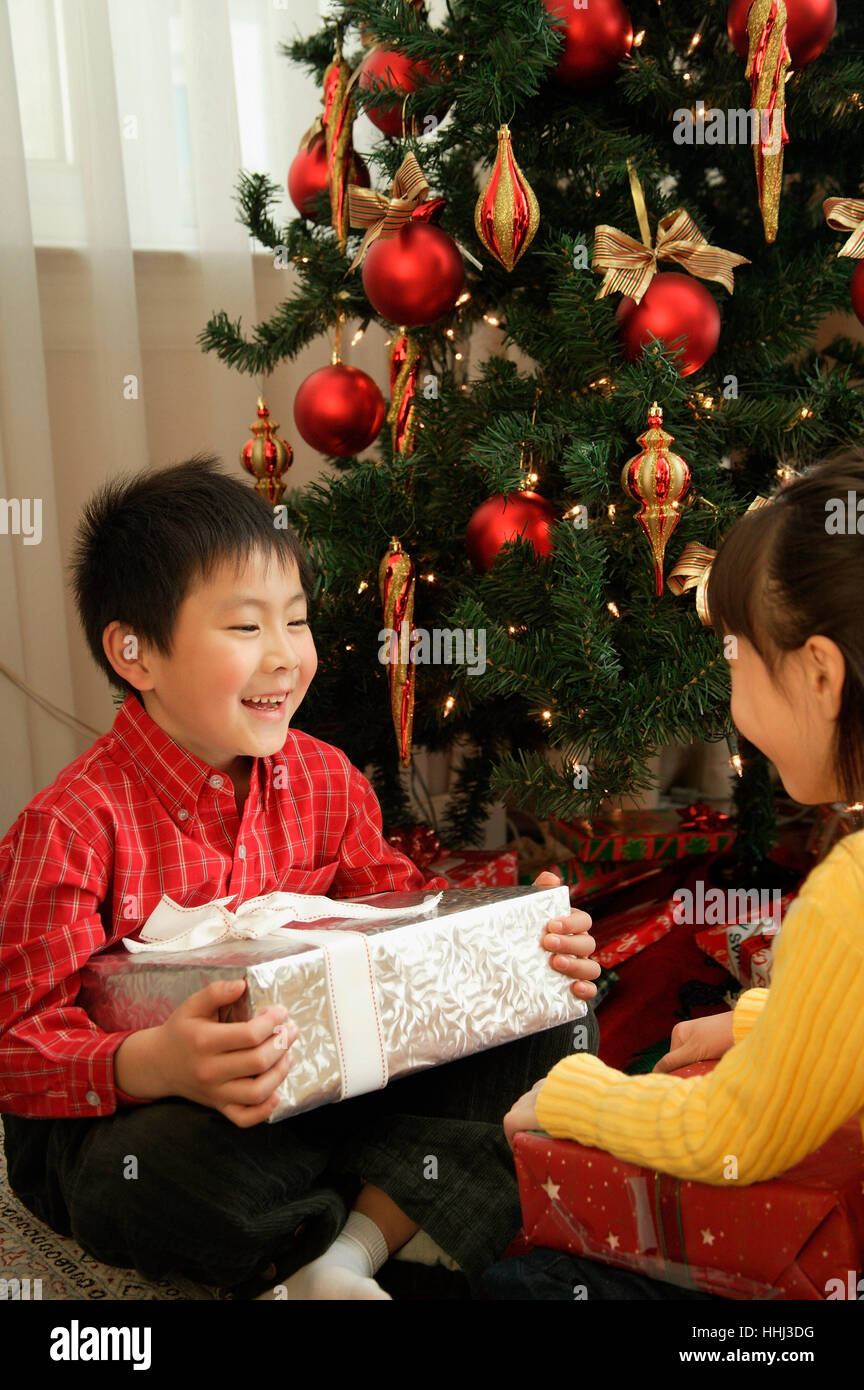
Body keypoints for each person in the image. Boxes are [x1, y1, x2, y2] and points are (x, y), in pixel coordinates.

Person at [0, 455, 600, 1301]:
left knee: (554, 1021)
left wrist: (511, 947)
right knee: (151, 1176)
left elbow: (404, 934)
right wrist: (154, 1064)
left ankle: (348, 1252)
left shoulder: (324, 778)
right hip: (162, 1119)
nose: (285, 658)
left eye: (297, 622)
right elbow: (17, 1049)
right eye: (246, 629)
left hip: (322, 1087)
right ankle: (378, 1223)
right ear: (134, 653)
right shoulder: (68, 826)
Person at [488, 450, 864, 1300]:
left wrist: (573, 1092)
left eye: (734, 660)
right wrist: (763, 1023)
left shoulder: (851, 895)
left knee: (534, 1287)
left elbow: (731, 1133)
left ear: (820, 674)